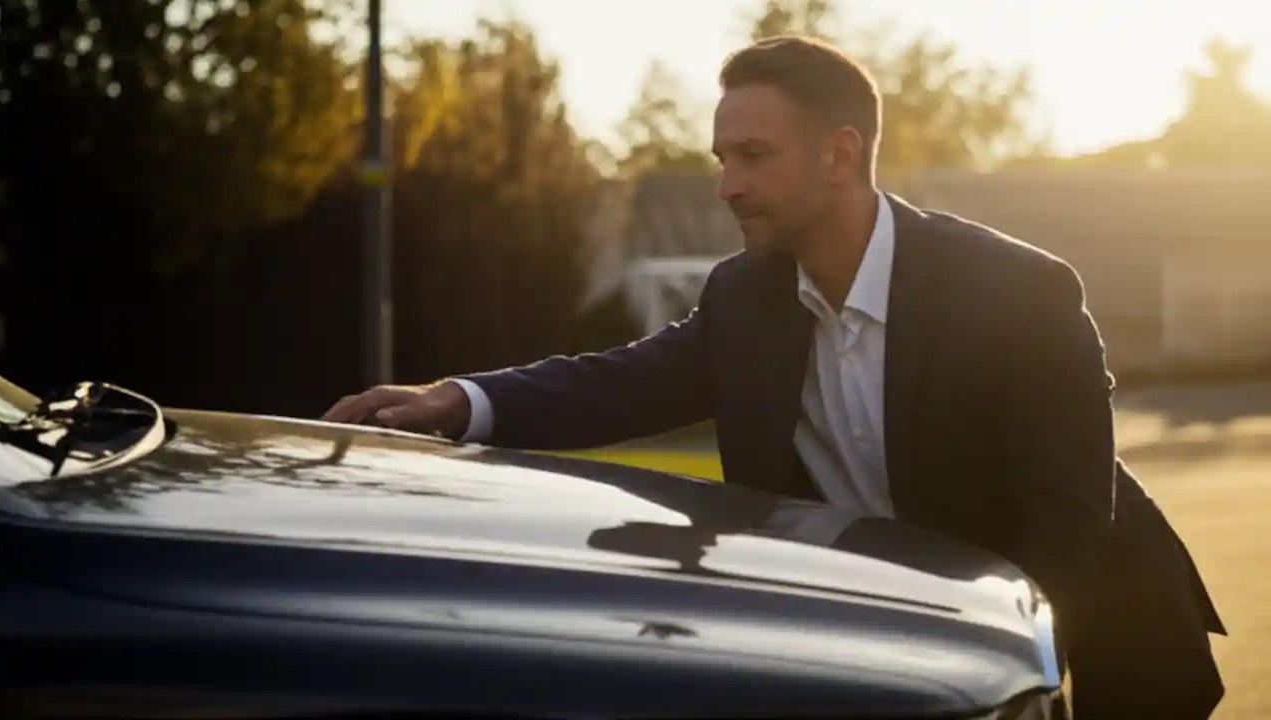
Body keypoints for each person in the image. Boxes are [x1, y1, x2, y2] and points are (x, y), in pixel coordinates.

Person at [323, 36, 1225, 717]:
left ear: (839, 154)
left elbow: (1063, 529)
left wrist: (999, 675)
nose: (727, 185)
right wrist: (457, 401)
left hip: (1088, 641)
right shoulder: (745, 296)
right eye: (723, 158)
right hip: (888, 646)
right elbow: (623, 381)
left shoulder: (1017, 292)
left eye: (752, 156)